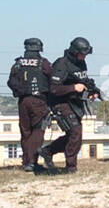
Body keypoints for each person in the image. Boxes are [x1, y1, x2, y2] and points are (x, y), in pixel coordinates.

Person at [40, 37, 101, 173]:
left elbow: (82, 80)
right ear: (74, 51)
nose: (84, 56)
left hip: (75, 103)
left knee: (74, 135)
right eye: (82, 53)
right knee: (75, 131)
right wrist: (73, 88)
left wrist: (92, 92)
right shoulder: (62, 64)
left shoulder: (81, 63)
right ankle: (71, 167)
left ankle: (48, 151)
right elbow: (54, 89)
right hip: (60, 103)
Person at [6, 37, 53, 171]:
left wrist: (18, 92)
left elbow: (10, 82)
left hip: (23, 101)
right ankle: (32, 162)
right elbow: (53, 79)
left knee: (25, 132)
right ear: (40, 48)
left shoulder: (18, 63)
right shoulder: (43, 63)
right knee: (38, 130)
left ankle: (26, 162)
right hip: (39, 100)